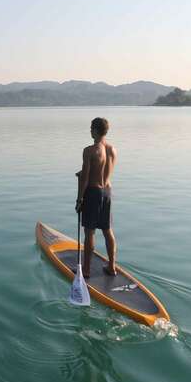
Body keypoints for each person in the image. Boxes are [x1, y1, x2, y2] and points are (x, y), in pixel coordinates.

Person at [76, 117, 117, 278]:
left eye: (91, 127)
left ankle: (86, 270)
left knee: (89, 232)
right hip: (107, 192)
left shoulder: (89, 150)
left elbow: (85, 178)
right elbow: (102, 170)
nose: (90, 130)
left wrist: (80, 200)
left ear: (95, 130)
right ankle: (112, 267)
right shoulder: (113, 149)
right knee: (107, 230)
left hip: (93, 192)